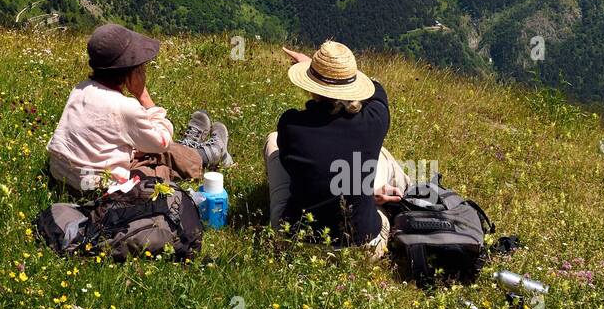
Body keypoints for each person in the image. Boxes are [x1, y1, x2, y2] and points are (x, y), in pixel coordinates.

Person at [263, 40, 408, 256]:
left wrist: (316, 68)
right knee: (380, 153)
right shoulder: (374, 120)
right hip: (364, 248)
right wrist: (342, 72)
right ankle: (403, 191)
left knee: (273, 141)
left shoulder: (291, 125)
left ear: (311, 86)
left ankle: (368, 193)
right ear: (354, 85)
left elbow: (300, 165)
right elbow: (377, 89)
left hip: (296, 245)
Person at [47, 23, 231, 193]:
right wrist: (142, 94)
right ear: (131, 71)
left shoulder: (79, 89)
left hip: (64, 178)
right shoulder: (125, 107)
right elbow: (163, 142)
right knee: (158, 163)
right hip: (101, 189)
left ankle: (193, 148)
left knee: (141, 147)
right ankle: (206, 155)